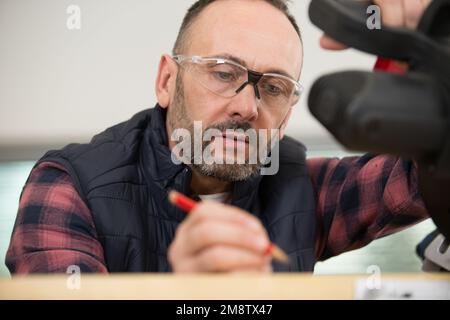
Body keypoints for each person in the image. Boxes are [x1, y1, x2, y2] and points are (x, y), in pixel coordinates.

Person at [6, 0, 434, 273]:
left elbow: (427, 174)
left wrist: (435, 32)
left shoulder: (300, 188)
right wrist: (190, 299)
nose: (247, 107)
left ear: (285, 119)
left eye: (273, 88)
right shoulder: (67, 186)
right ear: (166, 80)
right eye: (223, 73)